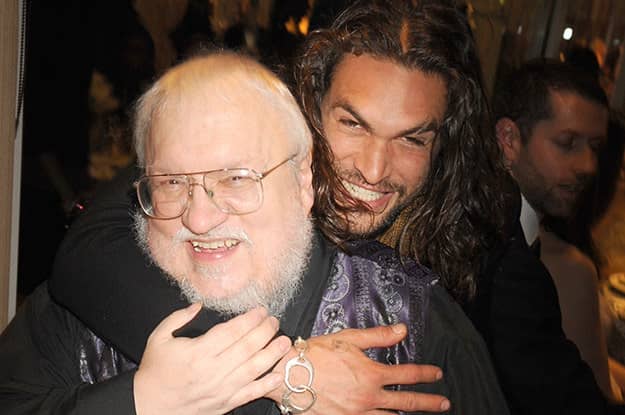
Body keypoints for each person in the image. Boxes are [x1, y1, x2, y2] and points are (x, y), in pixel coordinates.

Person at [48, 0, 618, 413]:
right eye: (352, 124)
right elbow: (89, 247)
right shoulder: (242, 162)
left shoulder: (486, 260)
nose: (373, 168)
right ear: (309, 106)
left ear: (443, 145)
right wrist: (289, 372)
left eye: (411, 138)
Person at [1, 51, 510, 414]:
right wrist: (140, 401)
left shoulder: (414, 330)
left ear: (304, 181)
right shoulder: (81, 312)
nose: (200, 219)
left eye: (237, 179)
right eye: (173, 182)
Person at [493, 59, 620, 400]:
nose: (588, 166)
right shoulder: (499, 250)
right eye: (567, 143)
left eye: (595, 148)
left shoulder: (528, 238)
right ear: (509, 139)